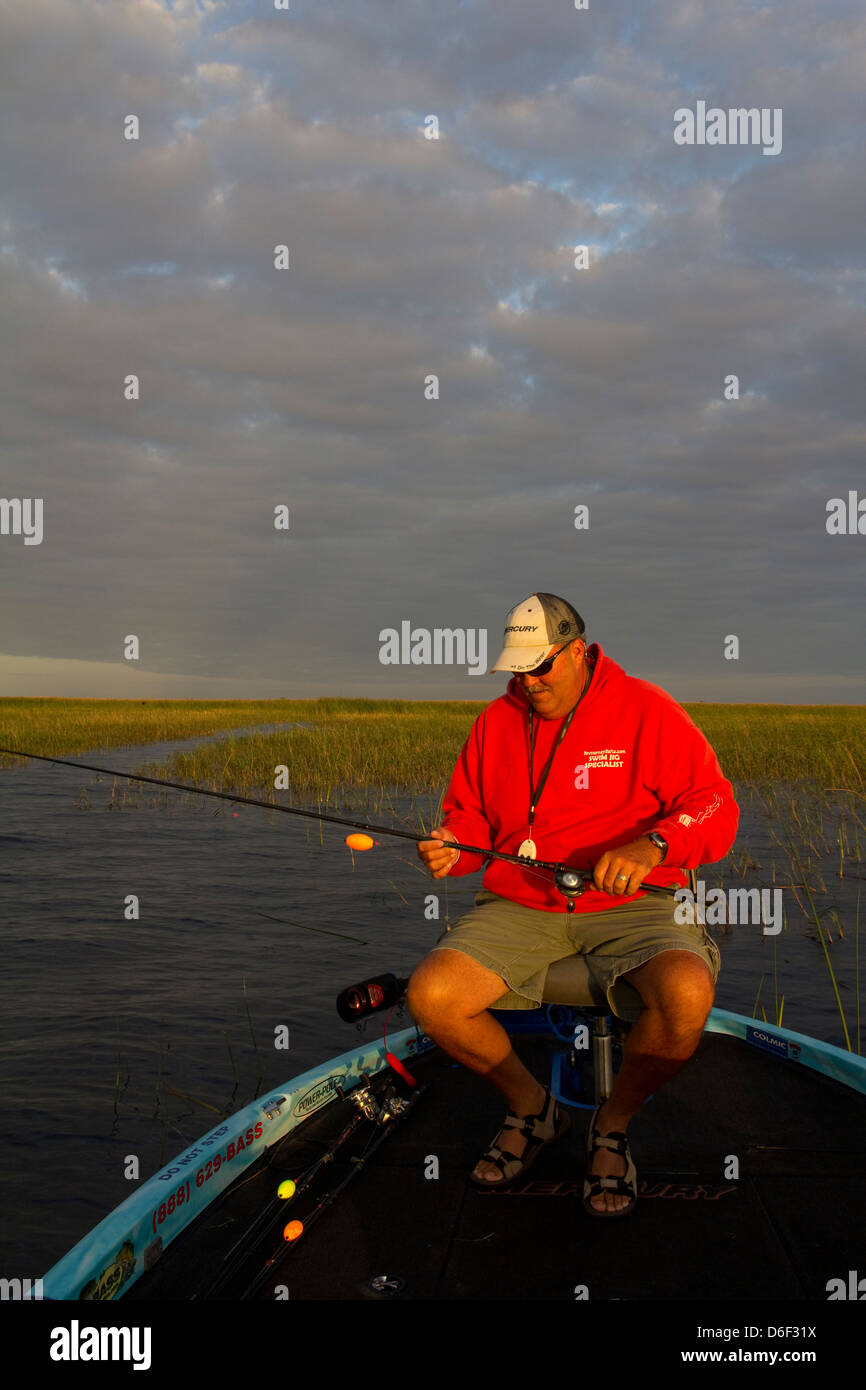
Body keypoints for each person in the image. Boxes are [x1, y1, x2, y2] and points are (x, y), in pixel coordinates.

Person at [407, 593, 739, 1216]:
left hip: (635, 903)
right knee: (432, 997)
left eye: (542, 667)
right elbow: (471, 820)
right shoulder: (492, 724)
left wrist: (655, 843)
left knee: (688, 995)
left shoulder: (647, 709)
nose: (529, 682)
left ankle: (610, 1126)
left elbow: (715, 804)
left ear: (578, 652)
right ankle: (534, 1109)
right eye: (519, 669)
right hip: (523, 905)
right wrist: (455, 845)